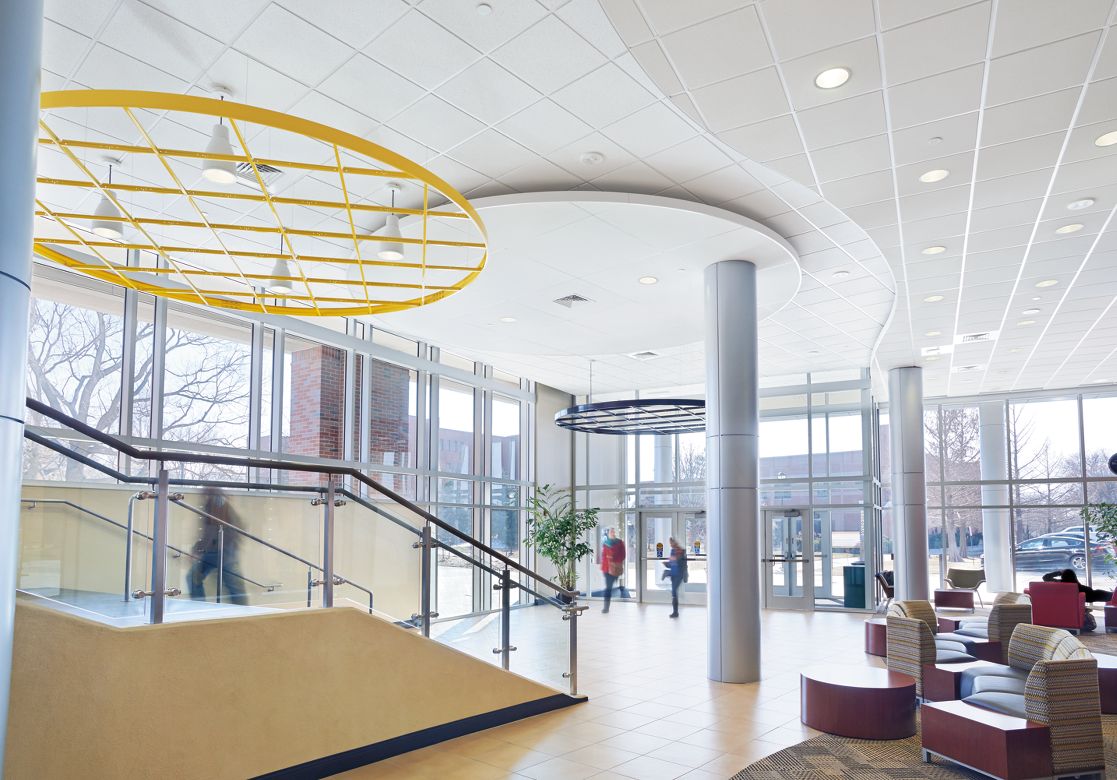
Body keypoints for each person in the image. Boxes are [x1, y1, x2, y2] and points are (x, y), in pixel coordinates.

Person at [188, 487, 247, 606]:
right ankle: (199, 607)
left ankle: (199, 608)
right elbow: (209, 531)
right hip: (219, 551)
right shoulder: (219, 503)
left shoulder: (216, 502)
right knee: (234, 586)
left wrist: (197, 550)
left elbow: (211, 531)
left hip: (221, 551)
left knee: (234, 586)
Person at [1042, 568, 1110, 631]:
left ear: (1062, 576)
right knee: (1108, 595)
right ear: (1074, 576)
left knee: (1105, 595)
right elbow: (1089, 591)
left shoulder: (1059, 584)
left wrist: (1059, 572)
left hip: (1073, 603)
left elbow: (1045, 577)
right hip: (1091, 595)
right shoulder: (1078, 586)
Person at [600, 527, 625, 613]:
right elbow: (603, 556)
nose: (612, 533)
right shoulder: (605, 543)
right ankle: (606, 607)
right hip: (607, 569)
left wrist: (614, 560)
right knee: (608, 588)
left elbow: (623, 555)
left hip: (615, 568)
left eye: (613, 531)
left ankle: (606, 607)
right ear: (608, 533)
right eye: (610, 532)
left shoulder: (619, 542)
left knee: (609, 587)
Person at [667, 536, 688, 618]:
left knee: (674, 591)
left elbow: (684, 564)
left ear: (675, 542)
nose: (671, 544)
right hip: (673, 574)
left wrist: (686, 574)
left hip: (679, 574)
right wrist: (667, 564)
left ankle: (675, 612)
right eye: (670, 543)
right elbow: (671, 563)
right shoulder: (672, 551)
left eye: (672, 542)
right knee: (674, 592)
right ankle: (675, 612)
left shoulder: (681, 551)